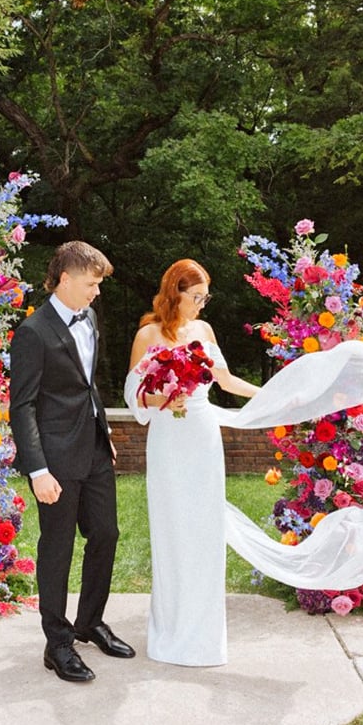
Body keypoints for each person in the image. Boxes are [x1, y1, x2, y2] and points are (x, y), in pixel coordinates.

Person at [10, 240, 135, 683]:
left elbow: (87, 384)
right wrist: (38, 469)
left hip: (95, 449)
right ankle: (57, 643)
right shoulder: (33, 331)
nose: (96, 292)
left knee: (106, 533)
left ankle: (89, 622)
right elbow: (21, 406)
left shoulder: (91, 318)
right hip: (56, 462)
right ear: (65, 279)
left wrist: (104, 430)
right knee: (58, 549)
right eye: (91, 283)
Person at [125, 259, 259, 667]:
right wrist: (161, 397)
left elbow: (227, 381)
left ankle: (203, 636)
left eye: (205, 297)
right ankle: (171, 632)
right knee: (172, 529)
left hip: (201, 435)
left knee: (204, 528)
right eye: (196, 297)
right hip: (167, 438)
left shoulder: (204, 331)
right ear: (175, 293)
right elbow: (134, 394)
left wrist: (270, 396)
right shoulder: (148, 334)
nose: (202, 305)